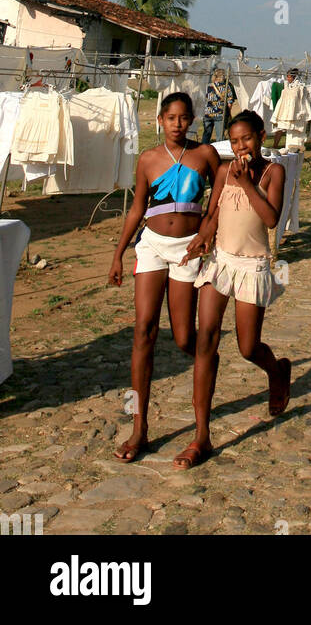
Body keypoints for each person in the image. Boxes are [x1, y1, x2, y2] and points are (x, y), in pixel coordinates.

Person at [173, 110, 290, 469]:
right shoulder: (224, 171)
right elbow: (213, 215)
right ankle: (201, 436)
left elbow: (271, 219)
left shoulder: (273, 172)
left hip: (252, 264)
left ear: (262, 136)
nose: (241, 146)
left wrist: (248, 184)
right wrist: (200, 241)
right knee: (205, 338)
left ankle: (276, 371)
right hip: (221, 262)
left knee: (247, 346)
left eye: (248, 139)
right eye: (235, 141)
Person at [108, 92, 219, 463]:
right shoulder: (148, 160)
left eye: (184, 118)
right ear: (159, 120)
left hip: (188, 249)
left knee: (186, 337)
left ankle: (202, 424)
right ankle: (139, 428)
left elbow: (220, 194)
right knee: (144, 331)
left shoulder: (204, 155)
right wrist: (118, 253)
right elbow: (138, 207)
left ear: (191, 121)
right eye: (171, 117)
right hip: (152, 246)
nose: (177, 124)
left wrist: (208, 231)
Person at [200, 66, 237, 145]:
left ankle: (202, 149)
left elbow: (202, 99)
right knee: (219, 137)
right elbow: (230, 102)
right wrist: (228, 112)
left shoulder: (207, 86)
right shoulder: (226, 87)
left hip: (207, 113)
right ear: (223, 76)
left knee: (206, 134)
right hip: (220, 113)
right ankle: (219, 153)